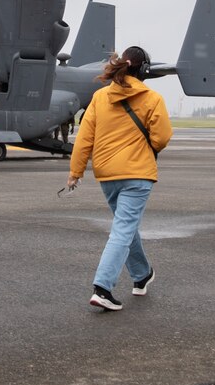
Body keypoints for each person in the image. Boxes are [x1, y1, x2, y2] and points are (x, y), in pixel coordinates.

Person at [66, 46, 172, 311]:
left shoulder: (100, 97)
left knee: (126, 226)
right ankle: (102, 288)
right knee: (123, 229)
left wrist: (76, 172)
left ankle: (142, 275)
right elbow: (161, 138)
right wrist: (147, 147)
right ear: (144, 70)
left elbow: (84, 139)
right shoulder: (152, 98)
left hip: (108, 175)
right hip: (137, 173)